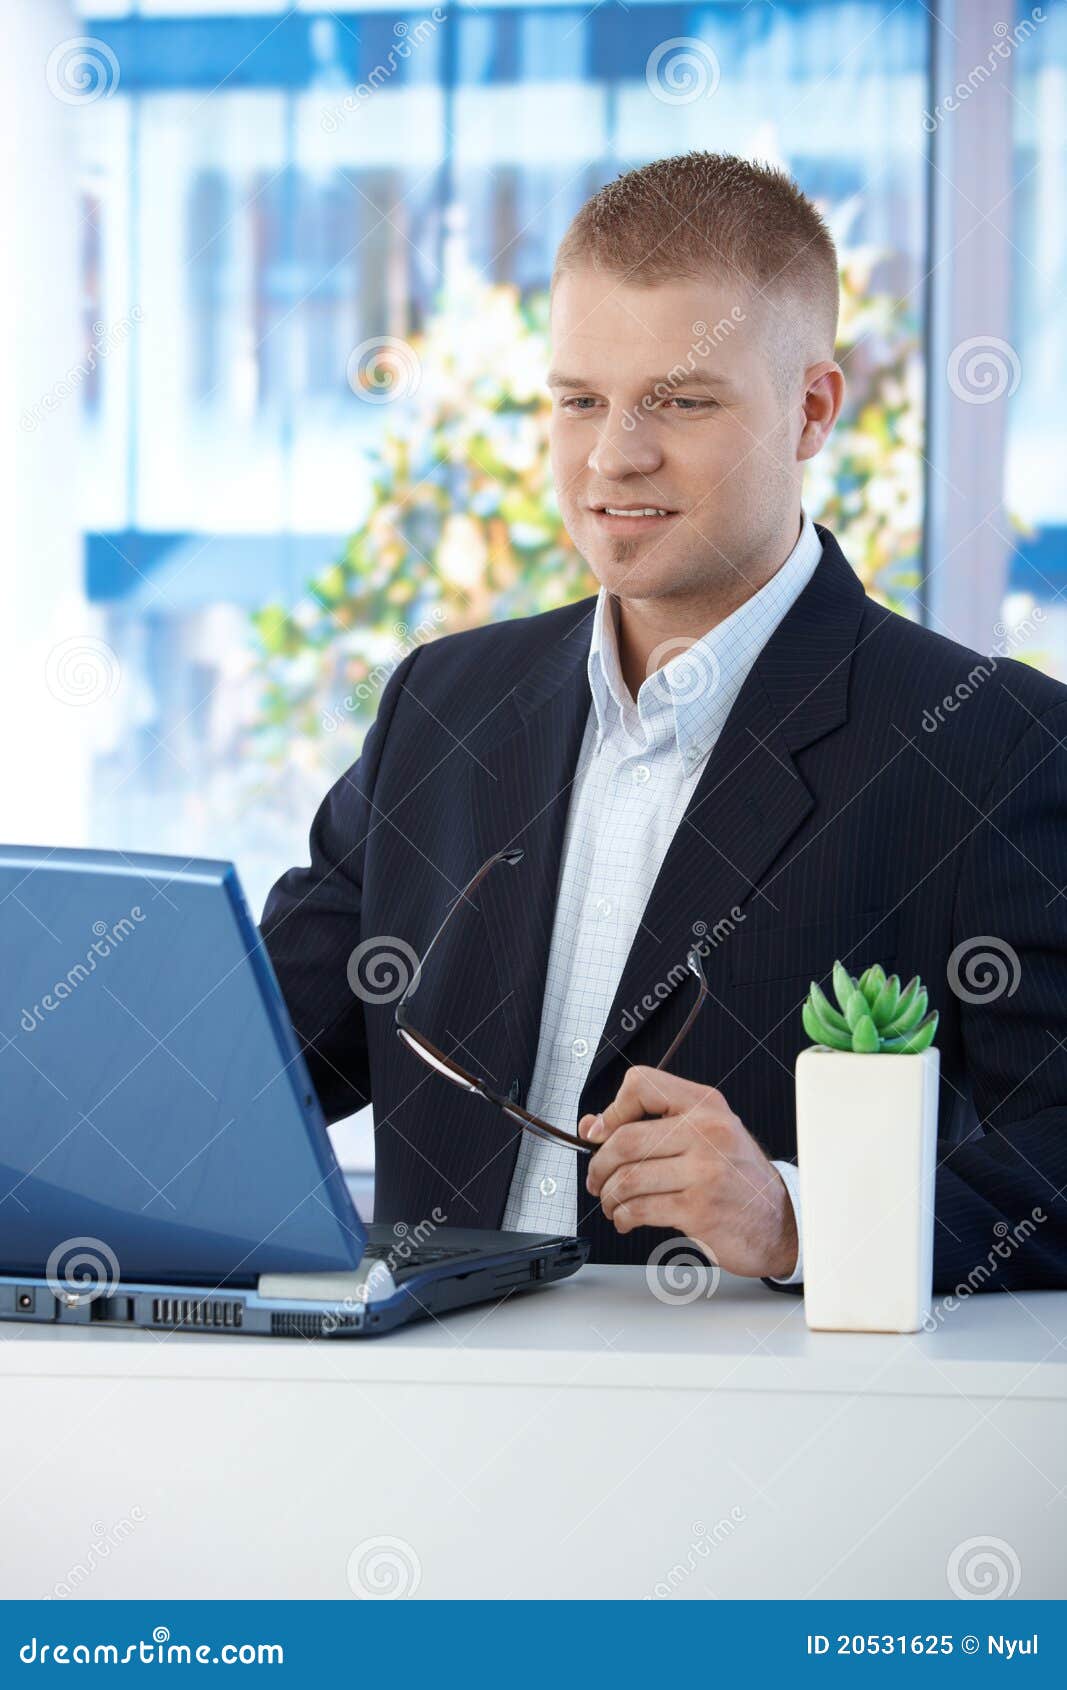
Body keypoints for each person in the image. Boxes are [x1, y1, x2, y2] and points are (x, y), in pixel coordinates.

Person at [260, 151, 1067, 1293]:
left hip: (753, 1443)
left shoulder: (994, 748)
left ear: (810, 410)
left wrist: (796, 1216)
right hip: (420, 1430)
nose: (610, 455)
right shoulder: (439, 705)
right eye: (578, 399)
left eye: (679, 402)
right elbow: (251, 1068)